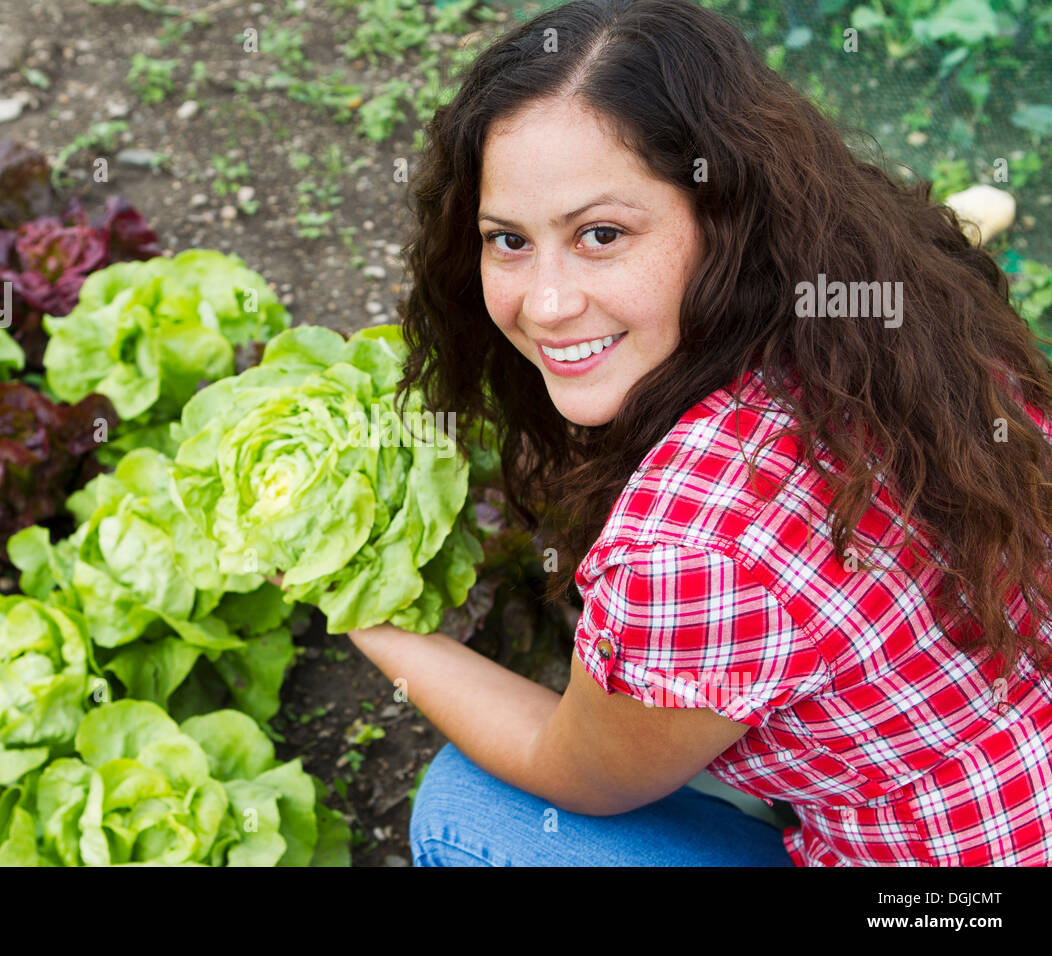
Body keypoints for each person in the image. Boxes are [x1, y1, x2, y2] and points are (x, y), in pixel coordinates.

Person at [342, 0, 1052, 866]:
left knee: (464, 808)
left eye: (601, 234)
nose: (547, 303)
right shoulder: (897, 305)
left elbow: (578, 776)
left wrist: (365, 610)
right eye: (508, 240)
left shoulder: (692, 549)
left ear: (726, 216)